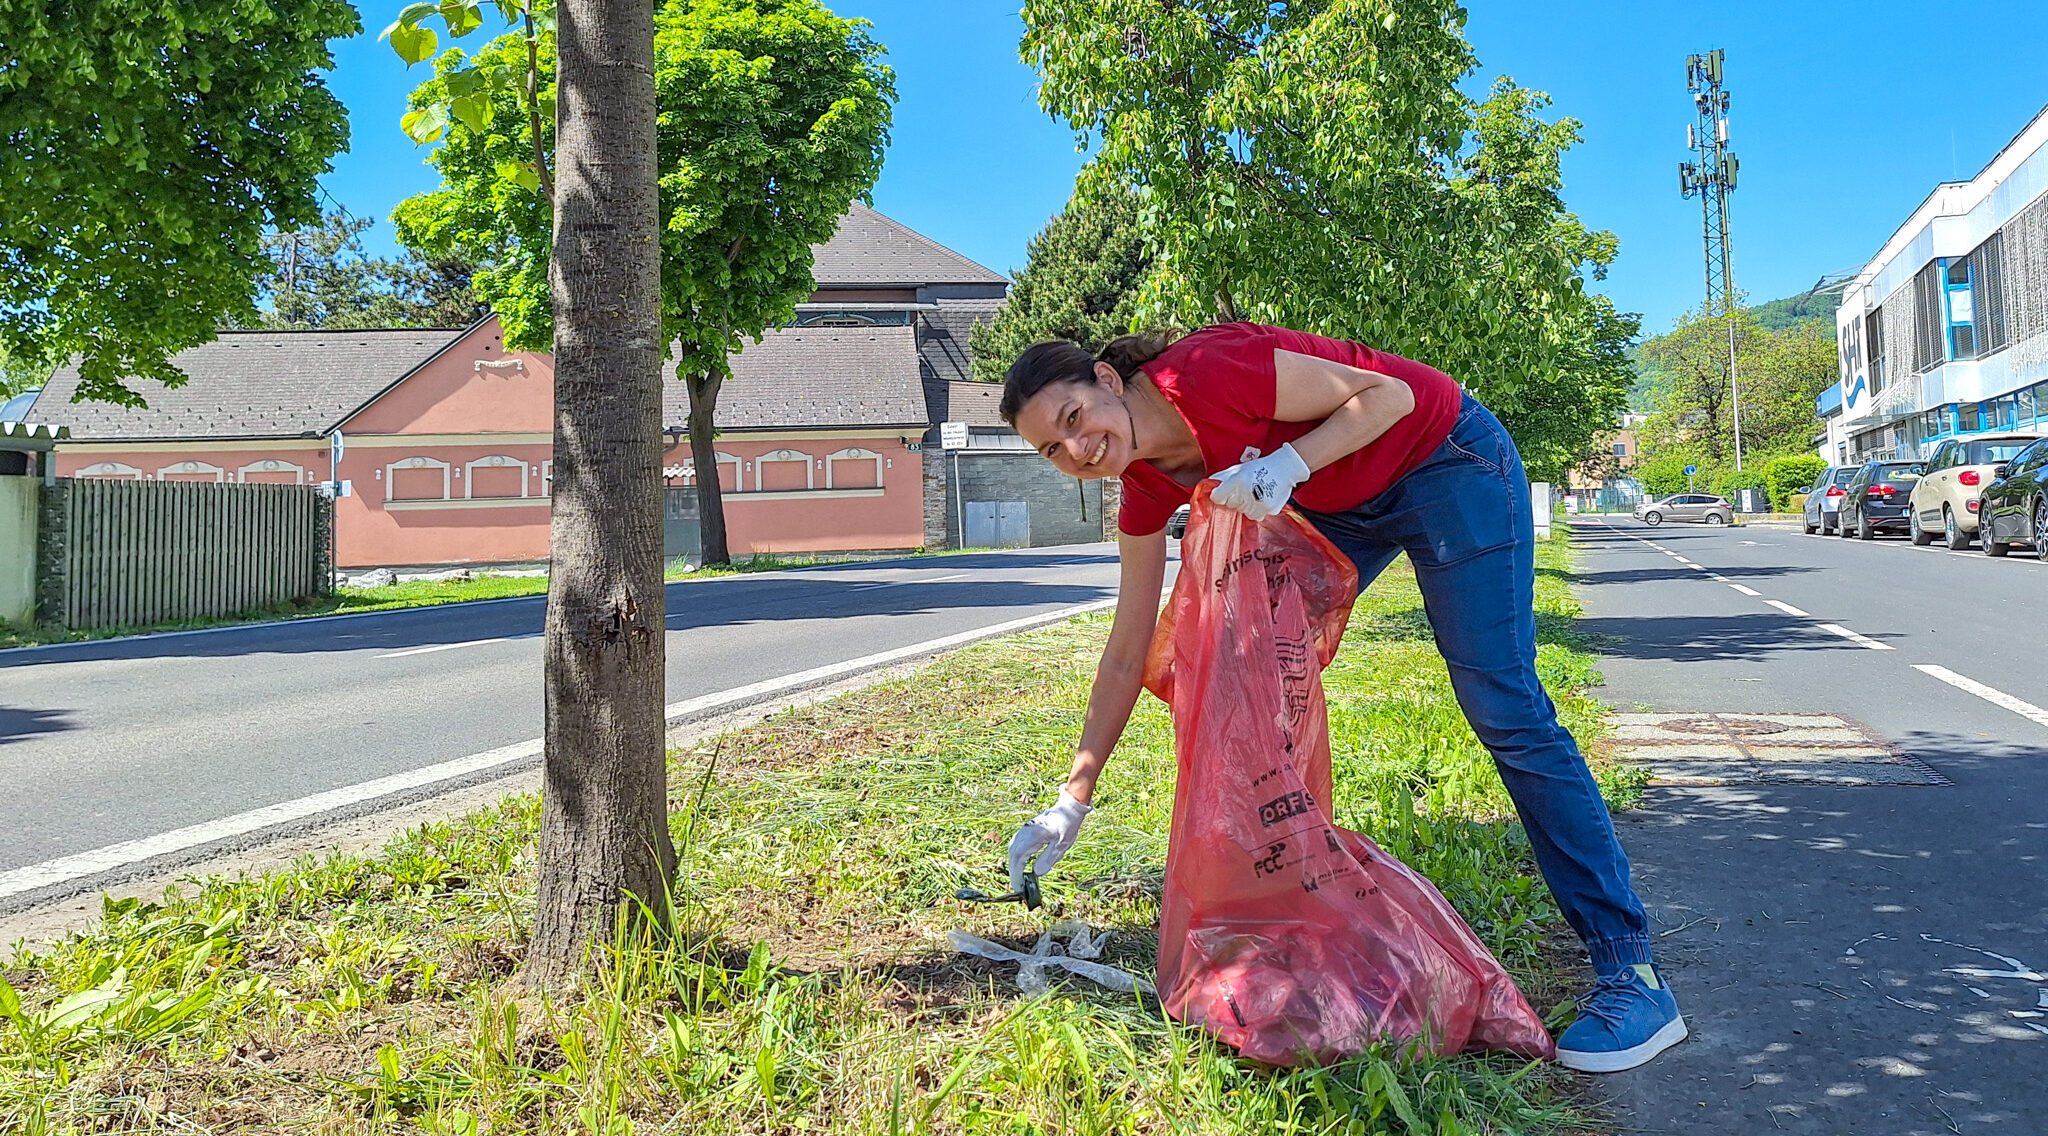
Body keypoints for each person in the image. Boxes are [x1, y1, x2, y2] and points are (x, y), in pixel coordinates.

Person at [997, 322, 1685, 1074]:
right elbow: (1129, 647)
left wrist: (1288, 463)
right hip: (1335, 500)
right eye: (1052, 451)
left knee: (1503, 705)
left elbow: (1383, 395)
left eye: (1074, 420)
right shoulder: (1141, 483)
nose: (1078, 449)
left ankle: (1632, 975)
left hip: (1441, 457)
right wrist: (1074, 797)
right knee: (1231, 677)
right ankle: (1297, 917)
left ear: (1104, 379)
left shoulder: (1204, 372)